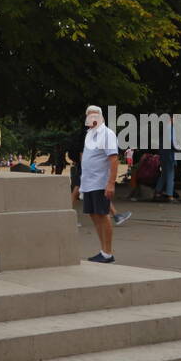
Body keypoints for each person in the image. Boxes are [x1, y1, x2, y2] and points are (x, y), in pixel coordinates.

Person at [80, 105, 119, 263]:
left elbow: (114, 159)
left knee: (103, 215)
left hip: (100, 182)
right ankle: (103, 250)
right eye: (89, 115)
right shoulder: (90, 134)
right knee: (94, 215)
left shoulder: (107, 134)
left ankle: (108, 252)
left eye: (95, 115)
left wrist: (111, 183)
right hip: (88, 182)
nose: (92, 117)